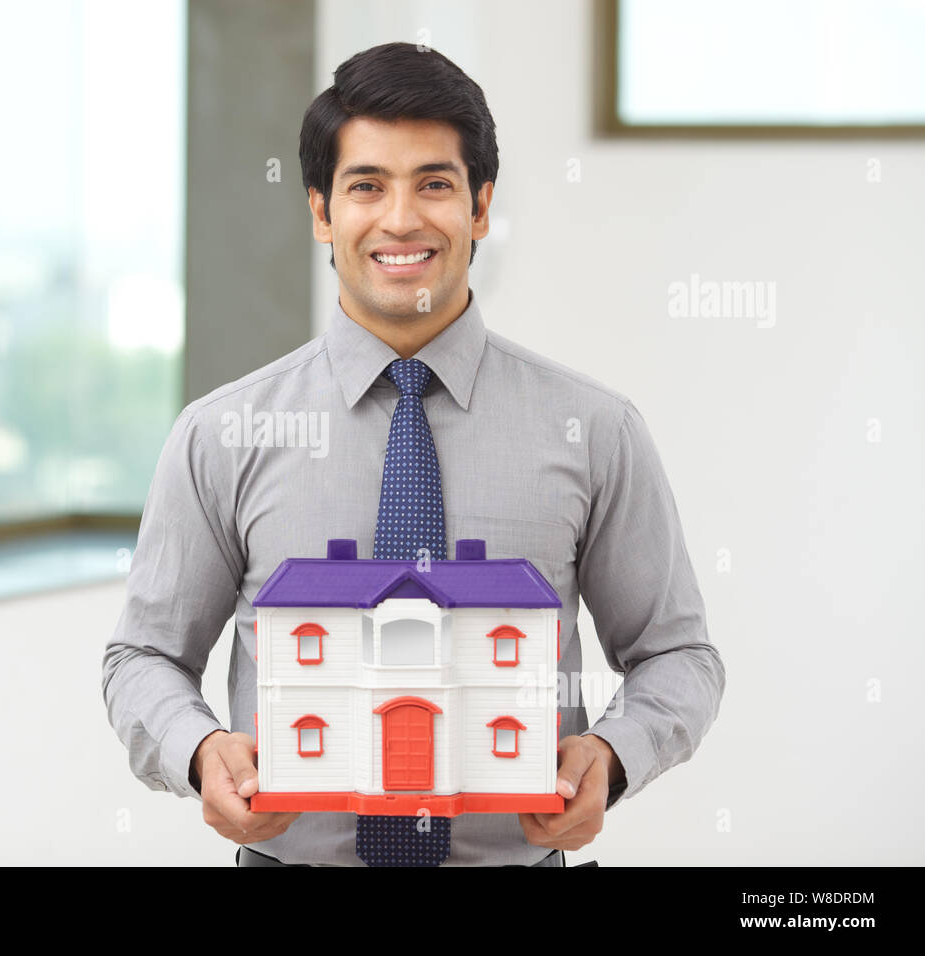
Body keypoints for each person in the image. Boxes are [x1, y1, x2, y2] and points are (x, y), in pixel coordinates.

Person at [102, 41, 725, 866]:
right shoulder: (222, 434)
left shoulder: (595, 428)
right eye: (367, 186)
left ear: (480, 207)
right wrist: (196, 749)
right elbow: (142, 656)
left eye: (435, 184)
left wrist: (611, 759)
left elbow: (679, 656)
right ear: (322, 211)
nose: (401, 220)